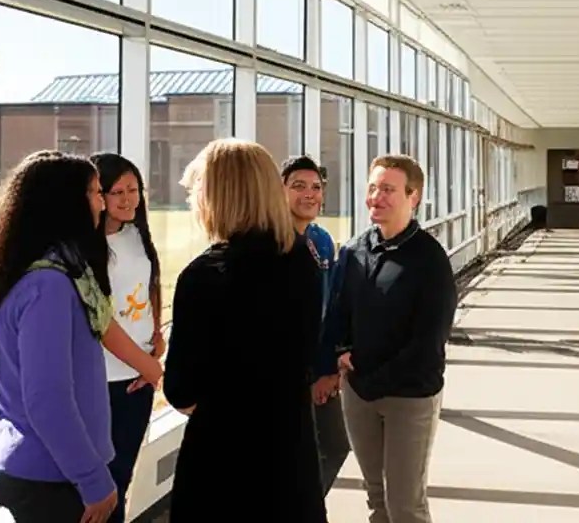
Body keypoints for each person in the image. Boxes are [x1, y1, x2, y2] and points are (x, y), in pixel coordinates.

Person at [163, 139, 325, 521]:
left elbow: (180, 389)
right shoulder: (303, 258)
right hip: (289, 453)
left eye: (198, 190)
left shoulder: (204, 276)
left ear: (219, 195)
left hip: (223, 465)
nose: (193, 201)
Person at [0, 151, 121, 522]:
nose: (103, 204)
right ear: (65, 204)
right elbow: (47, 397)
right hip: (51, 480)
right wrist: (93, 480)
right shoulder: (48, 285)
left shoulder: (55, 274)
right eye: (95, 193)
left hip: (55, 473)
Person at [314, 154, 456, 523]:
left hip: (408, 397)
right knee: (376, 496)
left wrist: (373, 379)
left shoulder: (430, 260)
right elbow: (340, 313)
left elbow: (429, 341)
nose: (377, 197)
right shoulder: (354, 250)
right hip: (359, 394)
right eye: (373, 188)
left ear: (414, 196)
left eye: (388, 189)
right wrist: (342, 357)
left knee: (405, 504)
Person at [91, 153, 164, 523]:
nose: (127, 199)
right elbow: (100, 322)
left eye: (133, 189)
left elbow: (151, 282)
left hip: (138, 381)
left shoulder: (137, 232)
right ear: (96, 194)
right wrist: (150, 366)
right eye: (116, 191)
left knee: (122, 477)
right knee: (98, 485)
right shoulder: (85, 248)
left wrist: (157, 334)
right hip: (103, 381)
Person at [281, 154, 352, 495]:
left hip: (319, 369)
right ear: (278, 191)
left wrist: (328, 371)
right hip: (278, 378)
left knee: (336, 449)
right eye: (298, 186)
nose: (309, 194)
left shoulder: (322, 242)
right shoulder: (268, 243)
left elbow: (330, 310)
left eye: (316, 187)